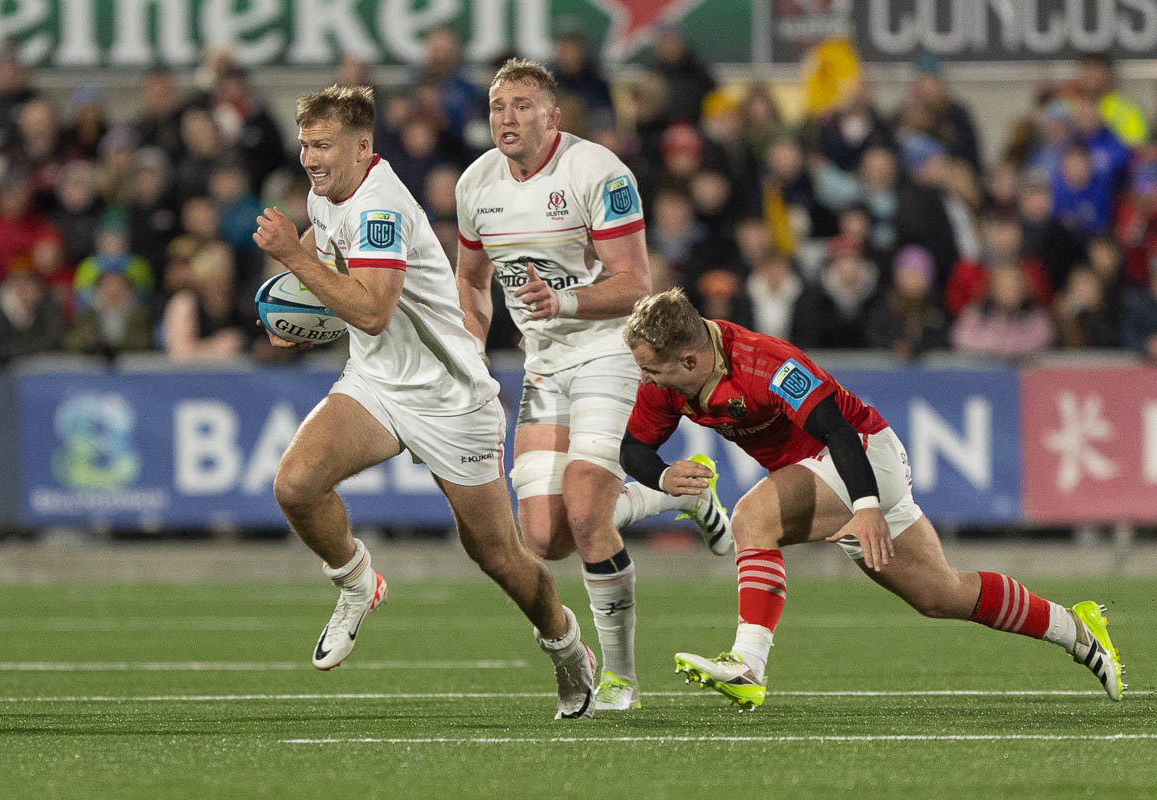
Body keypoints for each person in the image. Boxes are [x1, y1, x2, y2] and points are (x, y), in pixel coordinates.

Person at [252, 83, 597, 719]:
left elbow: (373, 310)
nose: (310, 158)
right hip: (377, 383)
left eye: (323, 145)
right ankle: (356, 581)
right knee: (296, 485)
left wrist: (293, 258)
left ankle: (566, 645)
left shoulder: (379, 209)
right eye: (304, 145)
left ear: (363, 147)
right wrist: (298, 316)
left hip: (450, 397)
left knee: (494, 553)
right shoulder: (328, 193)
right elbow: (337, 286)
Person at [618, 288, 1127, 709]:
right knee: (941, 595)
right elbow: (634, 448)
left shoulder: (765, 363)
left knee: (752, 519)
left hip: (862, 455)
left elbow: (836, 430)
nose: (646, 381)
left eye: (651, 371)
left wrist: (865, 508)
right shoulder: (669, 377)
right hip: (818, 472)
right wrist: (663, 477)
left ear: (689, 357)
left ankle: (748, 663)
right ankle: (1077, 630)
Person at [454, 59, 732, 712]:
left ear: (553, 116)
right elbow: (469, 281)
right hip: (545, 364)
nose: (508, 118)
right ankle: (684, 496)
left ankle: (621, 678)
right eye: (499, 106)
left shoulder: (598, 172)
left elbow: (636, 280)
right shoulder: (476, 184)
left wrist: (566, 302)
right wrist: (471, 351)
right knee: (546, 538)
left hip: (612, 351)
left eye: (523, 105)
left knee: (585, 507)